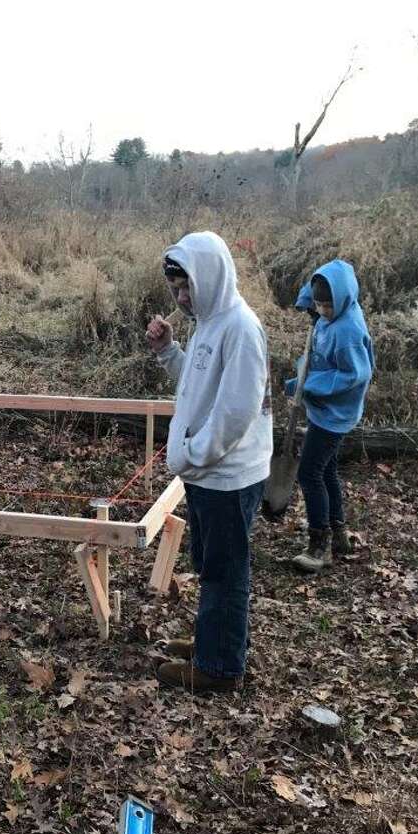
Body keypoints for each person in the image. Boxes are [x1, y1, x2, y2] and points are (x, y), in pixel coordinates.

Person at [144, 231, 273, 693]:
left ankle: (219, 668)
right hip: (206, 473)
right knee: (211, 563)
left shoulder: (239, 327)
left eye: (187, 287)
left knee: (224, 570)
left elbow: (236, 411)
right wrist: (168, 353)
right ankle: (213, 641)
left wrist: (194, 454)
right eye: (176, 288)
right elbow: (198, 388)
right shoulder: (209, 322)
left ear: (211, 276)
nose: (181, 296)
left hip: (228, 476)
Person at [283, 259, 374, 574]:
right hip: (322, 408)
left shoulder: (348, 331)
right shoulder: (327, 316)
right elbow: (317, 354)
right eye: (317, 304)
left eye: (326, 306)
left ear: (343, 298)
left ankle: (319, 544)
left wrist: (307, 386)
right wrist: (300, 385)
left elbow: (354, 375)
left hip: (335, 414)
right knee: (328, 471)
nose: (321, 311)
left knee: (309, 473)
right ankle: (339, 534)